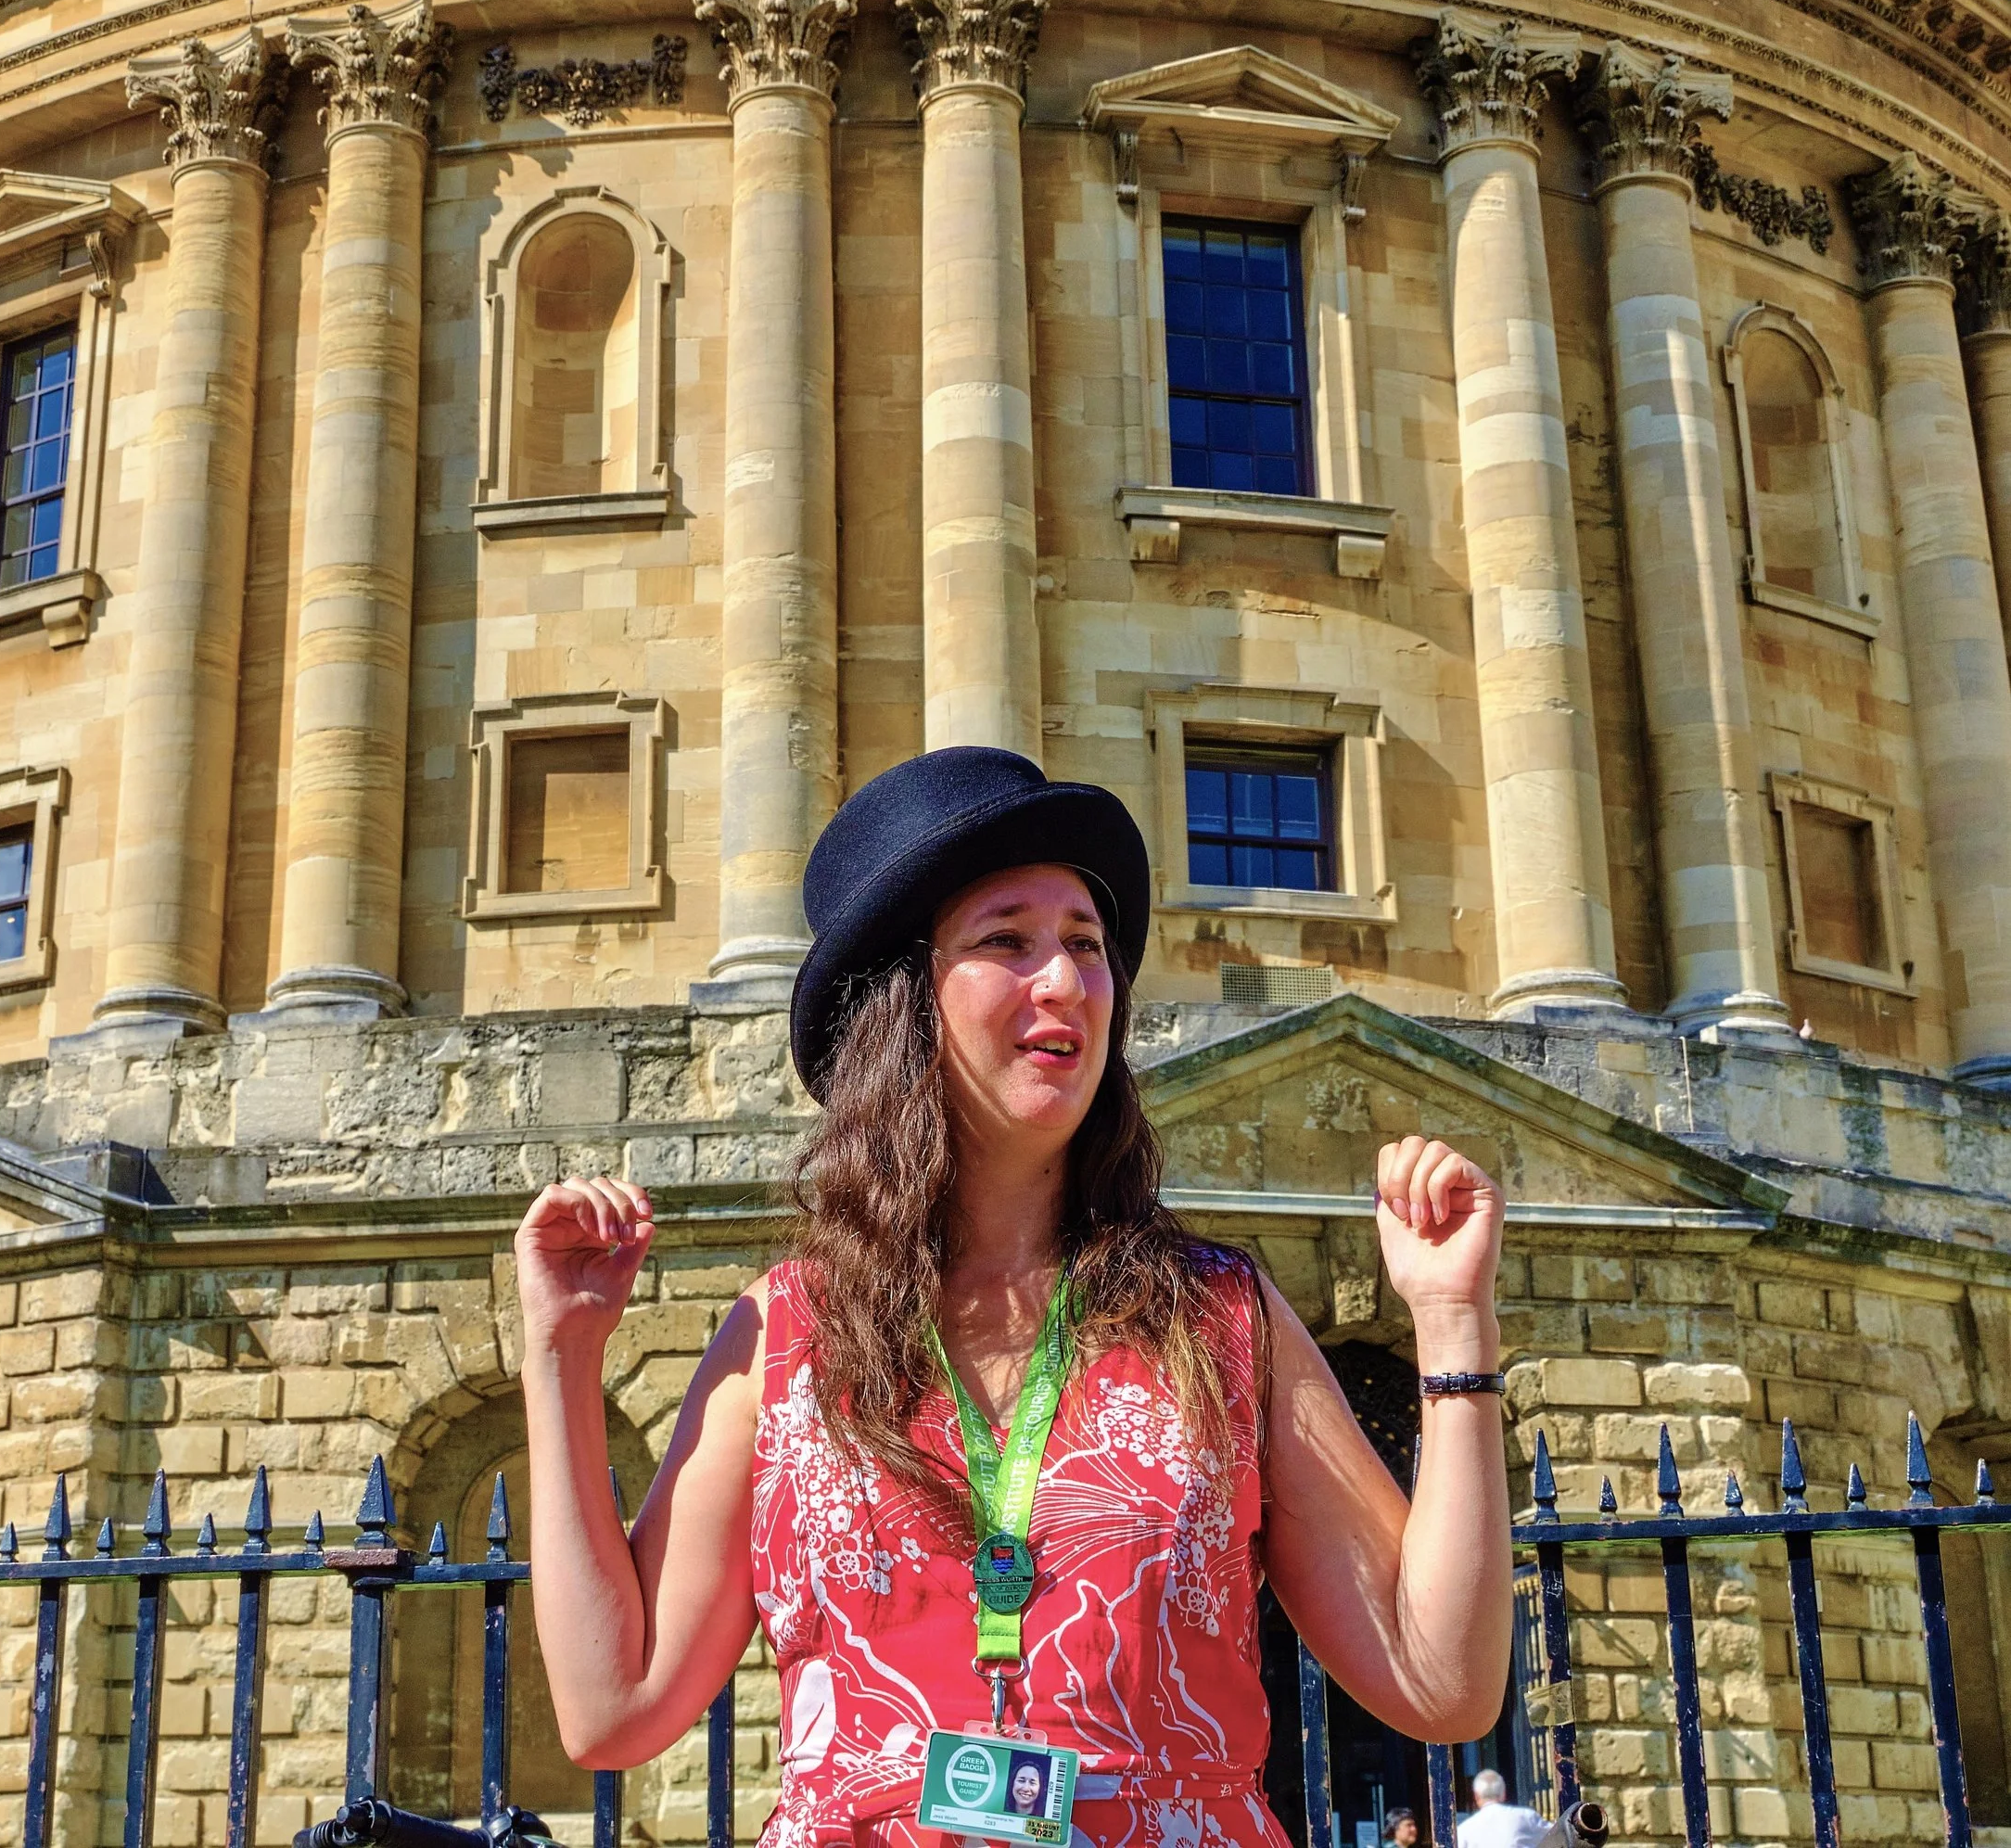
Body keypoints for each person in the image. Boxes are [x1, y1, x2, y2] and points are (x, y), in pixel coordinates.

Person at [515, 748, 1516, 1848]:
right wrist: (562, 1356)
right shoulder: (785, 1329)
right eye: (1007, 940)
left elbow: (1441, 1685)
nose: (1065, 980)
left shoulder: (1219, 1316)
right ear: (902, 1000)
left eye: (1086, 945)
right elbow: (614, 1709)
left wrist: (1451, 1322)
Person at [1456, 1770, 1544, 1848]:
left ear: (1476, 1796)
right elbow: (1555, 1835)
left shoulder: (1463, 1830)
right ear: (1504, 1794)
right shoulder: (1527, 1817)